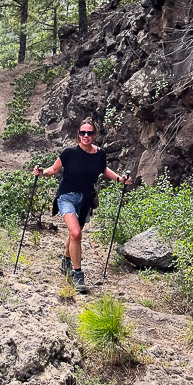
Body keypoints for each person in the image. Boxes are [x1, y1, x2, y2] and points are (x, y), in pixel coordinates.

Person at [34, 117, 130, 293]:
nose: (86, 135)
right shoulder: (69, 153)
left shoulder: (100, 154)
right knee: (76, 233)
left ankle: (66, 261)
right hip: (66, 196)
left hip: (86, 199)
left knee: (74, 234)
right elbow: (54, 169)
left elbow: (103, 169)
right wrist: (42, 173)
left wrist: (119, 179)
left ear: (95, 135)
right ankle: (78, 275)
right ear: (78, 134)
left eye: (89, 133)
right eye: (83, 132)